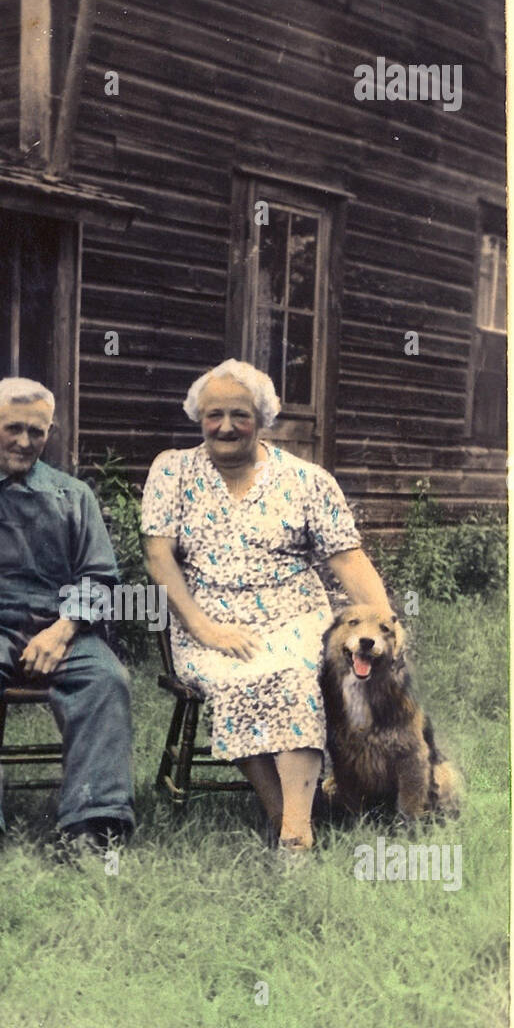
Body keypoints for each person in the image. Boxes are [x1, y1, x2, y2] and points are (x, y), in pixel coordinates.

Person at [141, 358, 393, 851]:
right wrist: (204, 628)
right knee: (242, 677)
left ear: (262, 418)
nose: (226, 426)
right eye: (214, 415)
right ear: (199, 417)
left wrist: (383, 628)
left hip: (297, 620)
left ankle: (295, 832)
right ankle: (290, 815)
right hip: (209, 624)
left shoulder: (307, 481)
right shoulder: (171, 471)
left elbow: (350, 561)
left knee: (295, 676)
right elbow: (158, 558)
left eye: (240, 414)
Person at [0, 377, 135, 872]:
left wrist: (62, 631)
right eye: (12, 428)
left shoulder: (73, 495)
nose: (23, 442)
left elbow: (100, 580)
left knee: (108, 679)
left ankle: (92, 826)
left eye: (36, 432)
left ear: (49, 432)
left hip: (60, 629)